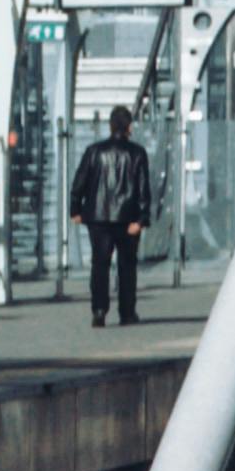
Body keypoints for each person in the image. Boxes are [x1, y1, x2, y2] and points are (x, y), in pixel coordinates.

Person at [69, 104, 155, 326]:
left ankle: (99, 310)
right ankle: (127, 312)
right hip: (128, 219)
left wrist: (76, 210)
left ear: (110, 126)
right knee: (127, 266)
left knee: (100, 265)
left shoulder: (94, 151)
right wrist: (142, 218)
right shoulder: (137, 153)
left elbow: (79, 182)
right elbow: (143, 188)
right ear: (129, 127)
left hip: (98, 217)